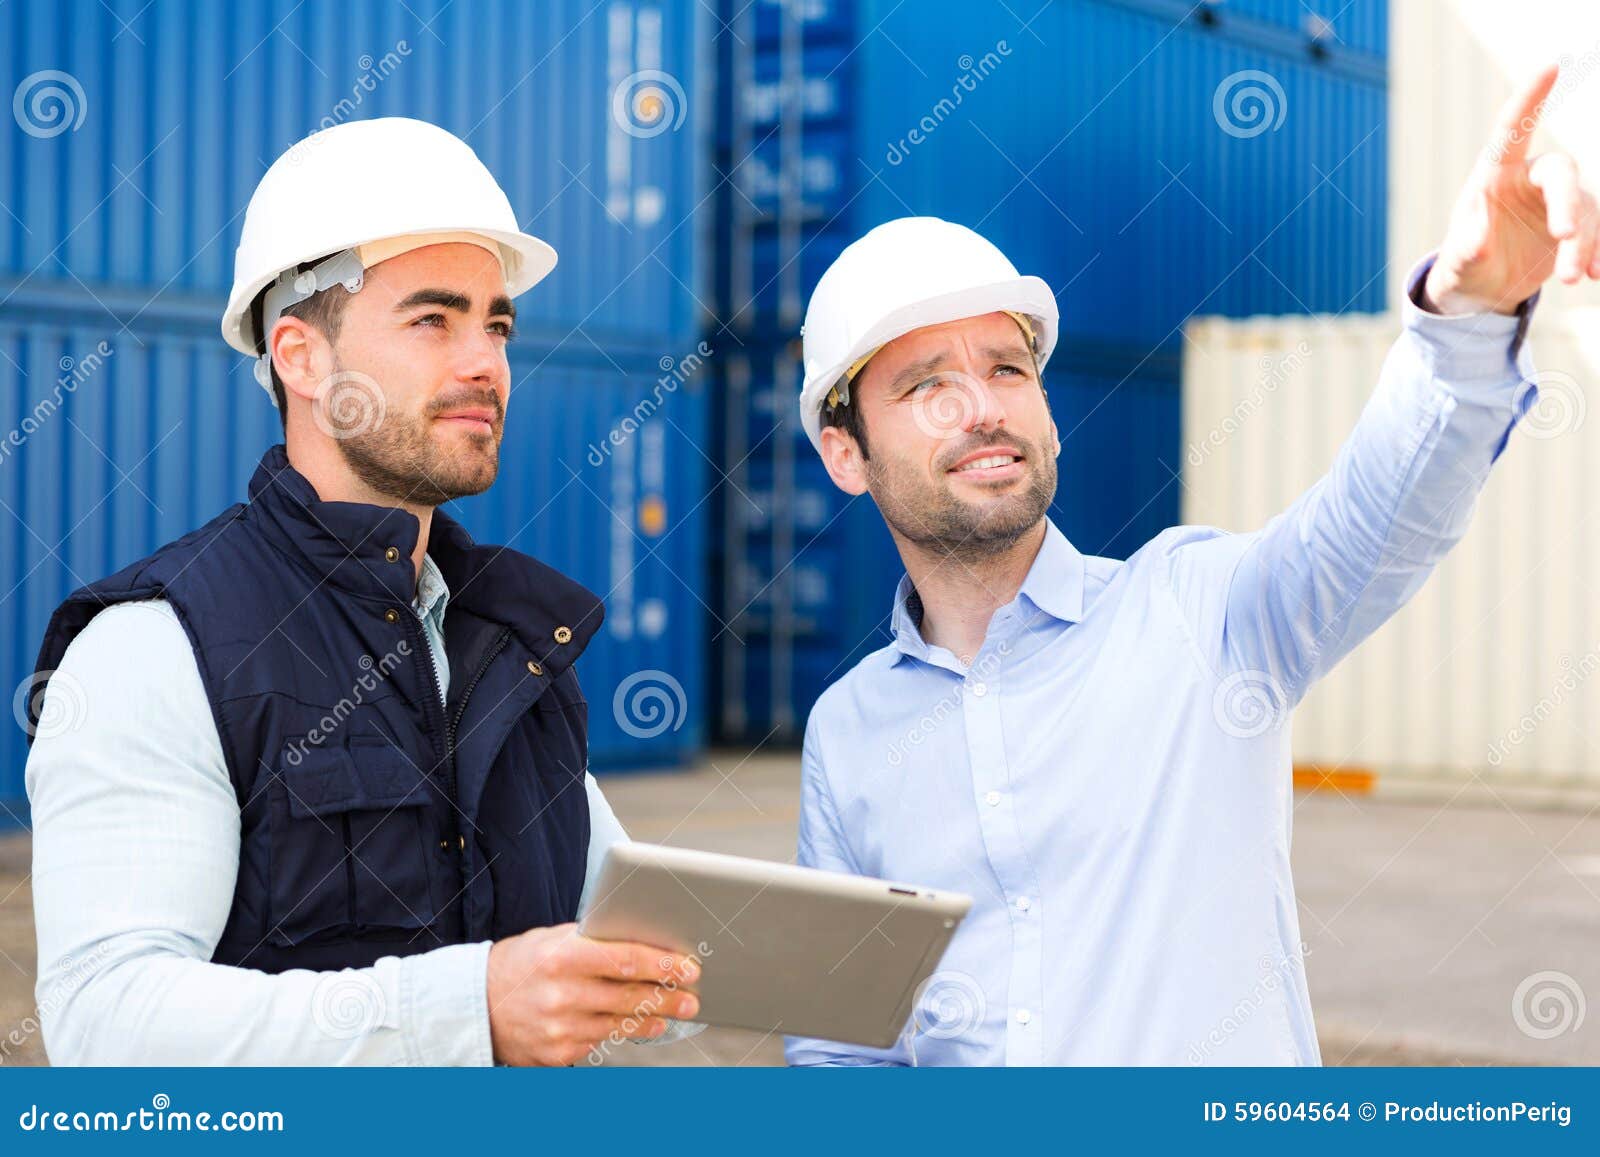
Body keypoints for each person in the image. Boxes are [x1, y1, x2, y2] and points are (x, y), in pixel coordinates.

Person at [784, 67, 1597, 1065]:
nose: (983, 407)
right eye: (925, 384)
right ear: (844, 454)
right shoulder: (849, 733)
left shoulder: (1201, 613)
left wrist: (1465, 313)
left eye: (1006, 367)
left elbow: (1380, 516)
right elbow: (844, 1050)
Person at [24, 117, 698, 1066]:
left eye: (495, 324)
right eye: (433, 320)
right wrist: (469, 1011)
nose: (485, 363)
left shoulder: (514, 644)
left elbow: (628, 939)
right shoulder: (154, 647)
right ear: (300, 357)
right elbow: (107, 1026)